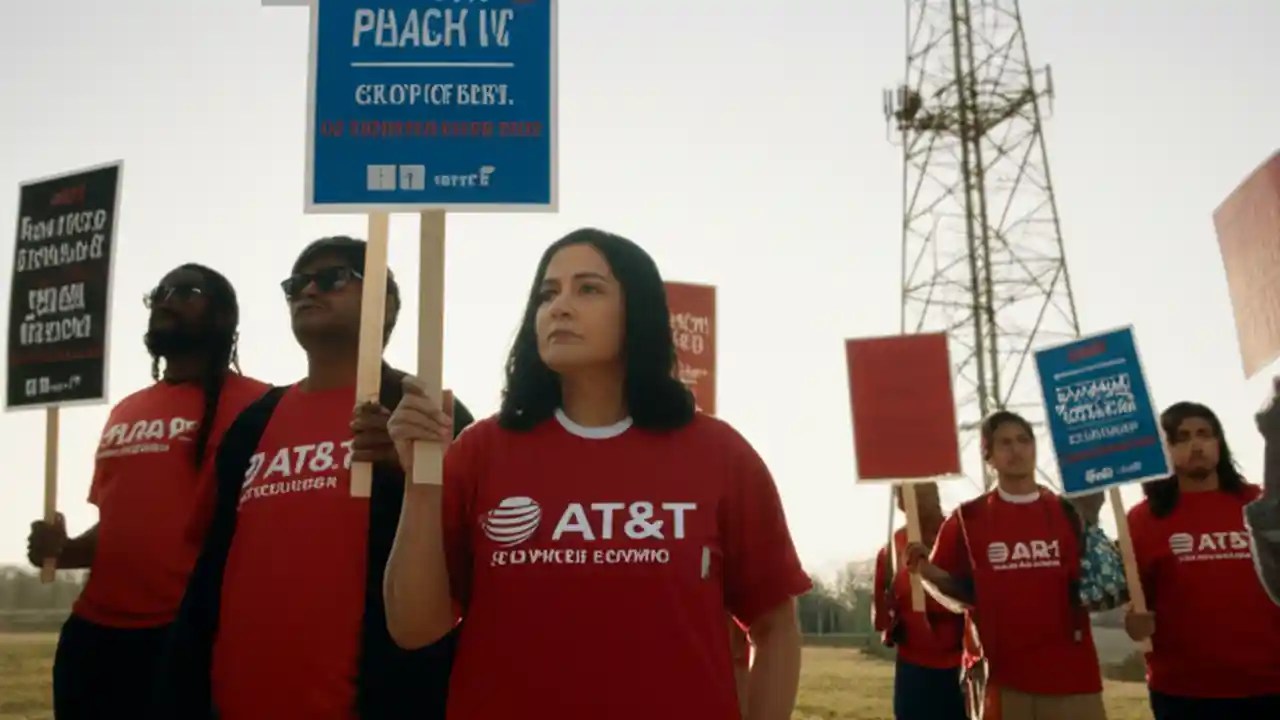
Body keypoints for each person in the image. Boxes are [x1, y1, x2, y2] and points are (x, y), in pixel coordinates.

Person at [382, 228, 811, 719]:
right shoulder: (480, 451)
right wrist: (420, 481)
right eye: (547, 294)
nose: (559, 307)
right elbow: (413, 628)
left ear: (638, 310)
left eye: (588, 288)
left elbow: (775, 626)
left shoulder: (719, 453)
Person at [154, 237, 474, 720]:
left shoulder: (422, 410)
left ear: (386, 304)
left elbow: (473, 550)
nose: (308, 291)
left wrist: (414, 476)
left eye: (332, 278)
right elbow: (210, 565)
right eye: (296, 284)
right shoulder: (254, 421)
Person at [25, 264, 268, 720]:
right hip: (95, 638)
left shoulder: (261, 405)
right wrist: (65, 549)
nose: (166, 300)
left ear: (223, 316)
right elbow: (118, 525)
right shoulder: (126, 409)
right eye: (160, 292)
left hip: (188, 637)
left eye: (186, 291)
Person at [904, 410, 1106, 720]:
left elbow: (1098, 588)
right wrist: (927, 573)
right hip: (1001, 681)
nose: (1016, 450)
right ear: (989, 457)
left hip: (1073, 680)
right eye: (1005, 443)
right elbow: (959, 595)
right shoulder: (967, 519)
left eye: (1024, 440)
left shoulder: (1069, 512)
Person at [1124, 402, 1280, 719]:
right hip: (1183, 692)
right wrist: (1134, 623)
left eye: (1204, 434)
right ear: (1164, 449)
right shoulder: (1142, 519)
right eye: (1181, 438)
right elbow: (1137, 605)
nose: (1196, 445)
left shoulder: (1262, 505)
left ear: (1219, 442)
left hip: (1271, 684)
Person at [873, 482, 966, 720]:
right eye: (904, 496)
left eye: (922, 495)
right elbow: (881, 620)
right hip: (914, 669)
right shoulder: (892, 550)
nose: (913, 504)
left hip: (962, 665)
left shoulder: (962, 538)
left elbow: (978, 596)